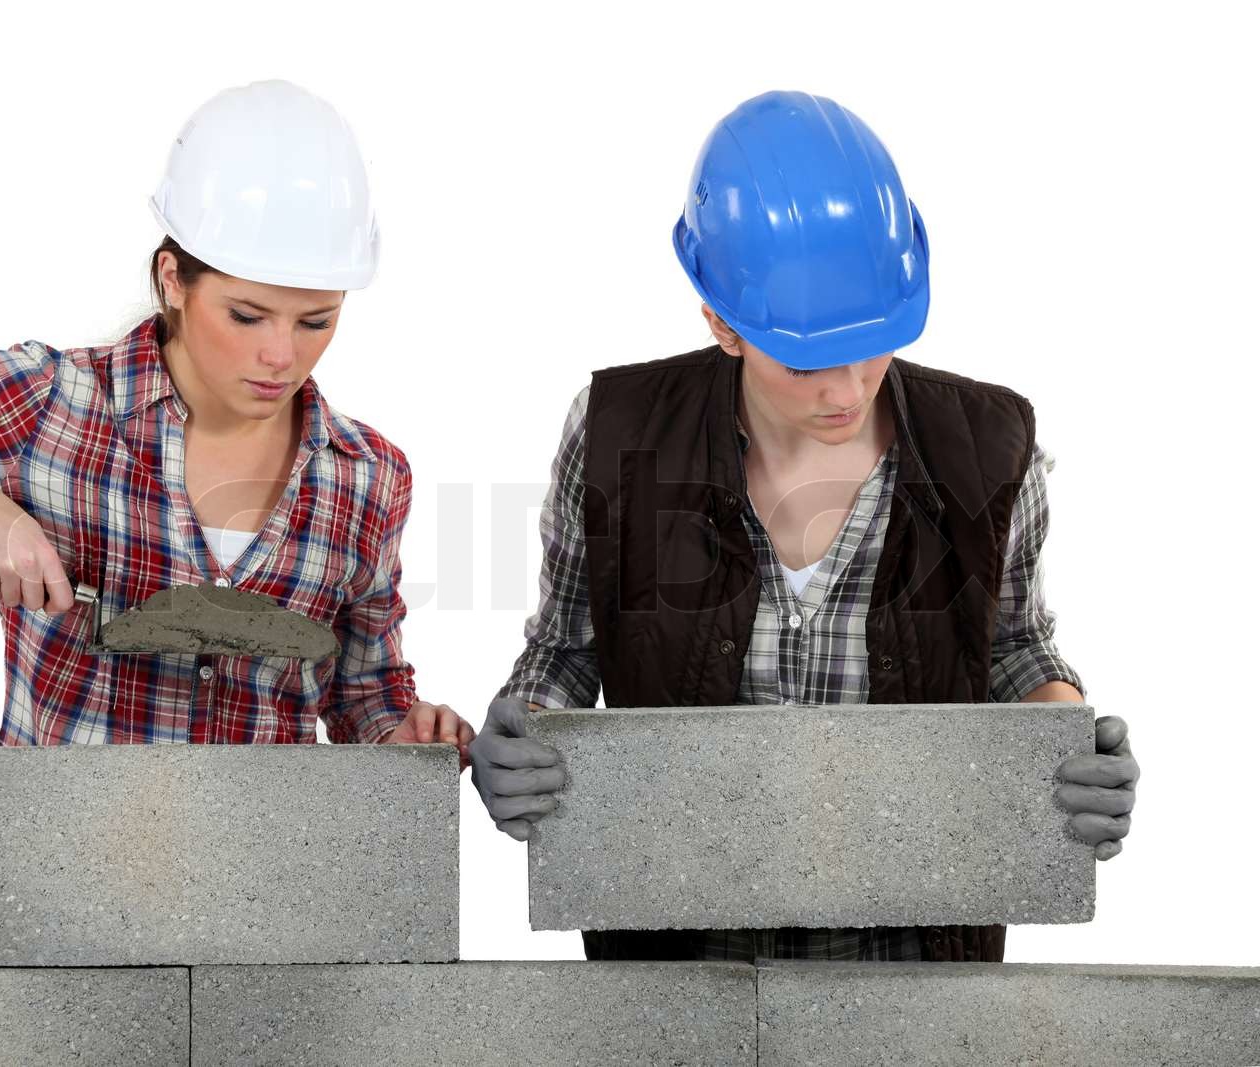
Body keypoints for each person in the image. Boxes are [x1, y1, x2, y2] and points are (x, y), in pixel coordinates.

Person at [469, 90, 1137, 963]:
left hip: (914, 965)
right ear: (721, 321)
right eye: (807, 360)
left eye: (874, 341)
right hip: (680, 962)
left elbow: (1012, 646)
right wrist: (527, 726)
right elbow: (567, 650)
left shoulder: (988, 448)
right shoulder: (615, 436)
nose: (848, 390)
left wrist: (1066, 734)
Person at [0, 79, 473, 763]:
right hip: (52, 889)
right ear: (173, 279)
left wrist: (406, 731)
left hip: (263, 902)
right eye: (246, 314)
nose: (281, 354)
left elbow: (363, 697)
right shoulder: (56, 405)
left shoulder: (368, 476)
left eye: (316, 320)